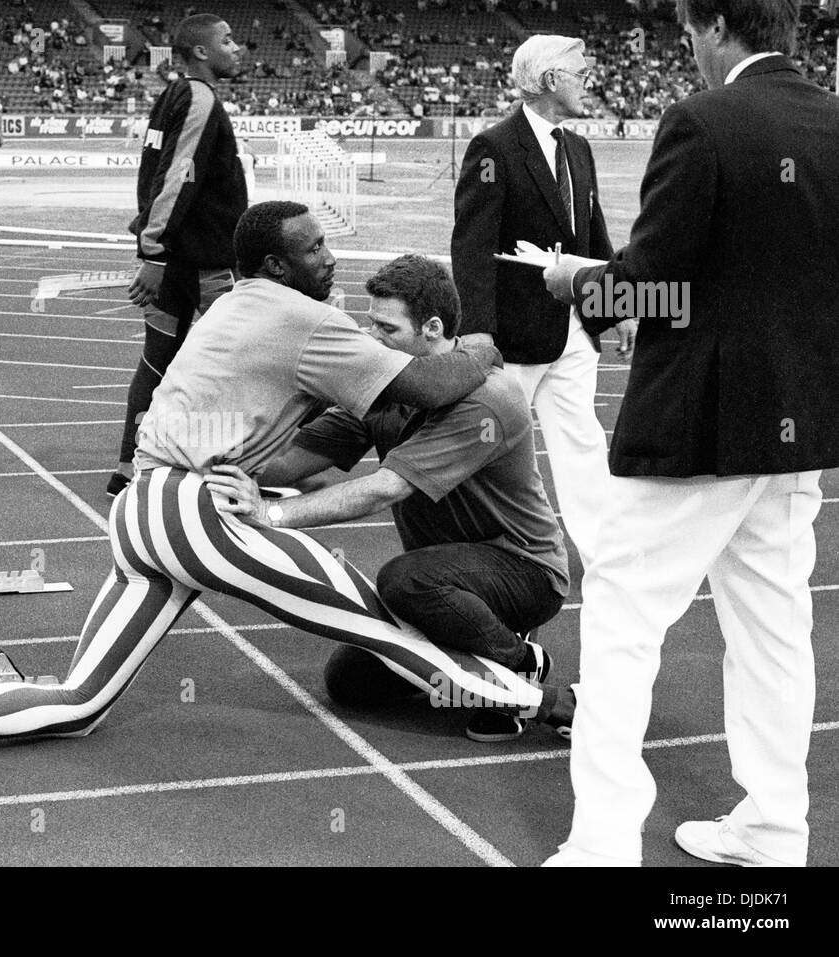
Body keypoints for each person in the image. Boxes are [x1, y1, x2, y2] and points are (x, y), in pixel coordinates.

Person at [0, 201, 570, 784]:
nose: (330, 258)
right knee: (387, 630)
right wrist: (492, 337)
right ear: (276, 266)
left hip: (139, 507)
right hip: (196, 511)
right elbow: (432, 382)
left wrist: (261, 477)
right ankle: (548, 702)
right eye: (316, 248)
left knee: (78, 700)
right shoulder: (303, 315)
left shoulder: (230, 306)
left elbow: (298, 452)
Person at [541, 0, 839, 867]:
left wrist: (580, 284)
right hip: (796, 426)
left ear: (713, 26)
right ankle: (776, 829)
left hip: (698, 426)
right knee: (775, 627)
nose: (690, 53)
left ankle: (602, 845)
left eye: (686, 35)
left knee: (624, 622)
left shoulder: (702, 122)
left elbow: (649, 281)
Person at [209, 254, 573, 743]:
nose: (372, 338)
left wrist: (270, 513)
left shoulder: (487, 398)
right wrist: (221, 457)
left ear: (432, 327)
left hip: (522, 570)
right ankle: (478, 659)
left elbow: (385, 488)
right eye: (370, 323)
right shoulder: (391, 383)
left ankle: (518, 664)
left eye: (386, 328)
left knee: (405, 581)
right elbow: (297, 458)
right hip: (446, 576)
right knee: (349, 683)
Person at [450, 35, 634, 574]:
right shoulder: (494, 147)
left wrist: (615, 303)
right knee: (488, 443)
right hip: (515, 336)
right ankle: (471, 548)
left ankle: (604, 557)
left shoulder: (577, 147)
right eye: (580, 71)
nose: (589, 79)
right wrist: (479, 331)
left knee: (581, 441)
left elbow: (592, 236)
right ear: (551, 80)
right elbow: (473, 245)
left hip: (575, 328)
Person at [106, 13, 248, 497]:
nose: (238, 47)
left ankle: (129, 468)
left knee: (157, 360)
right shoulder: (200, 98)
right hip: (201, 265)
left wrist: (150, 242)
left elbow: (153, 174)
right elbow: (173, 178)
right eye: (227, 40)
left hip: (171, 260)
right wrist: (154, 252)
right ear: (202, 52)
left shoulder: (172, 94)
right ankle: (225, 471)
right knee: (229, 362)